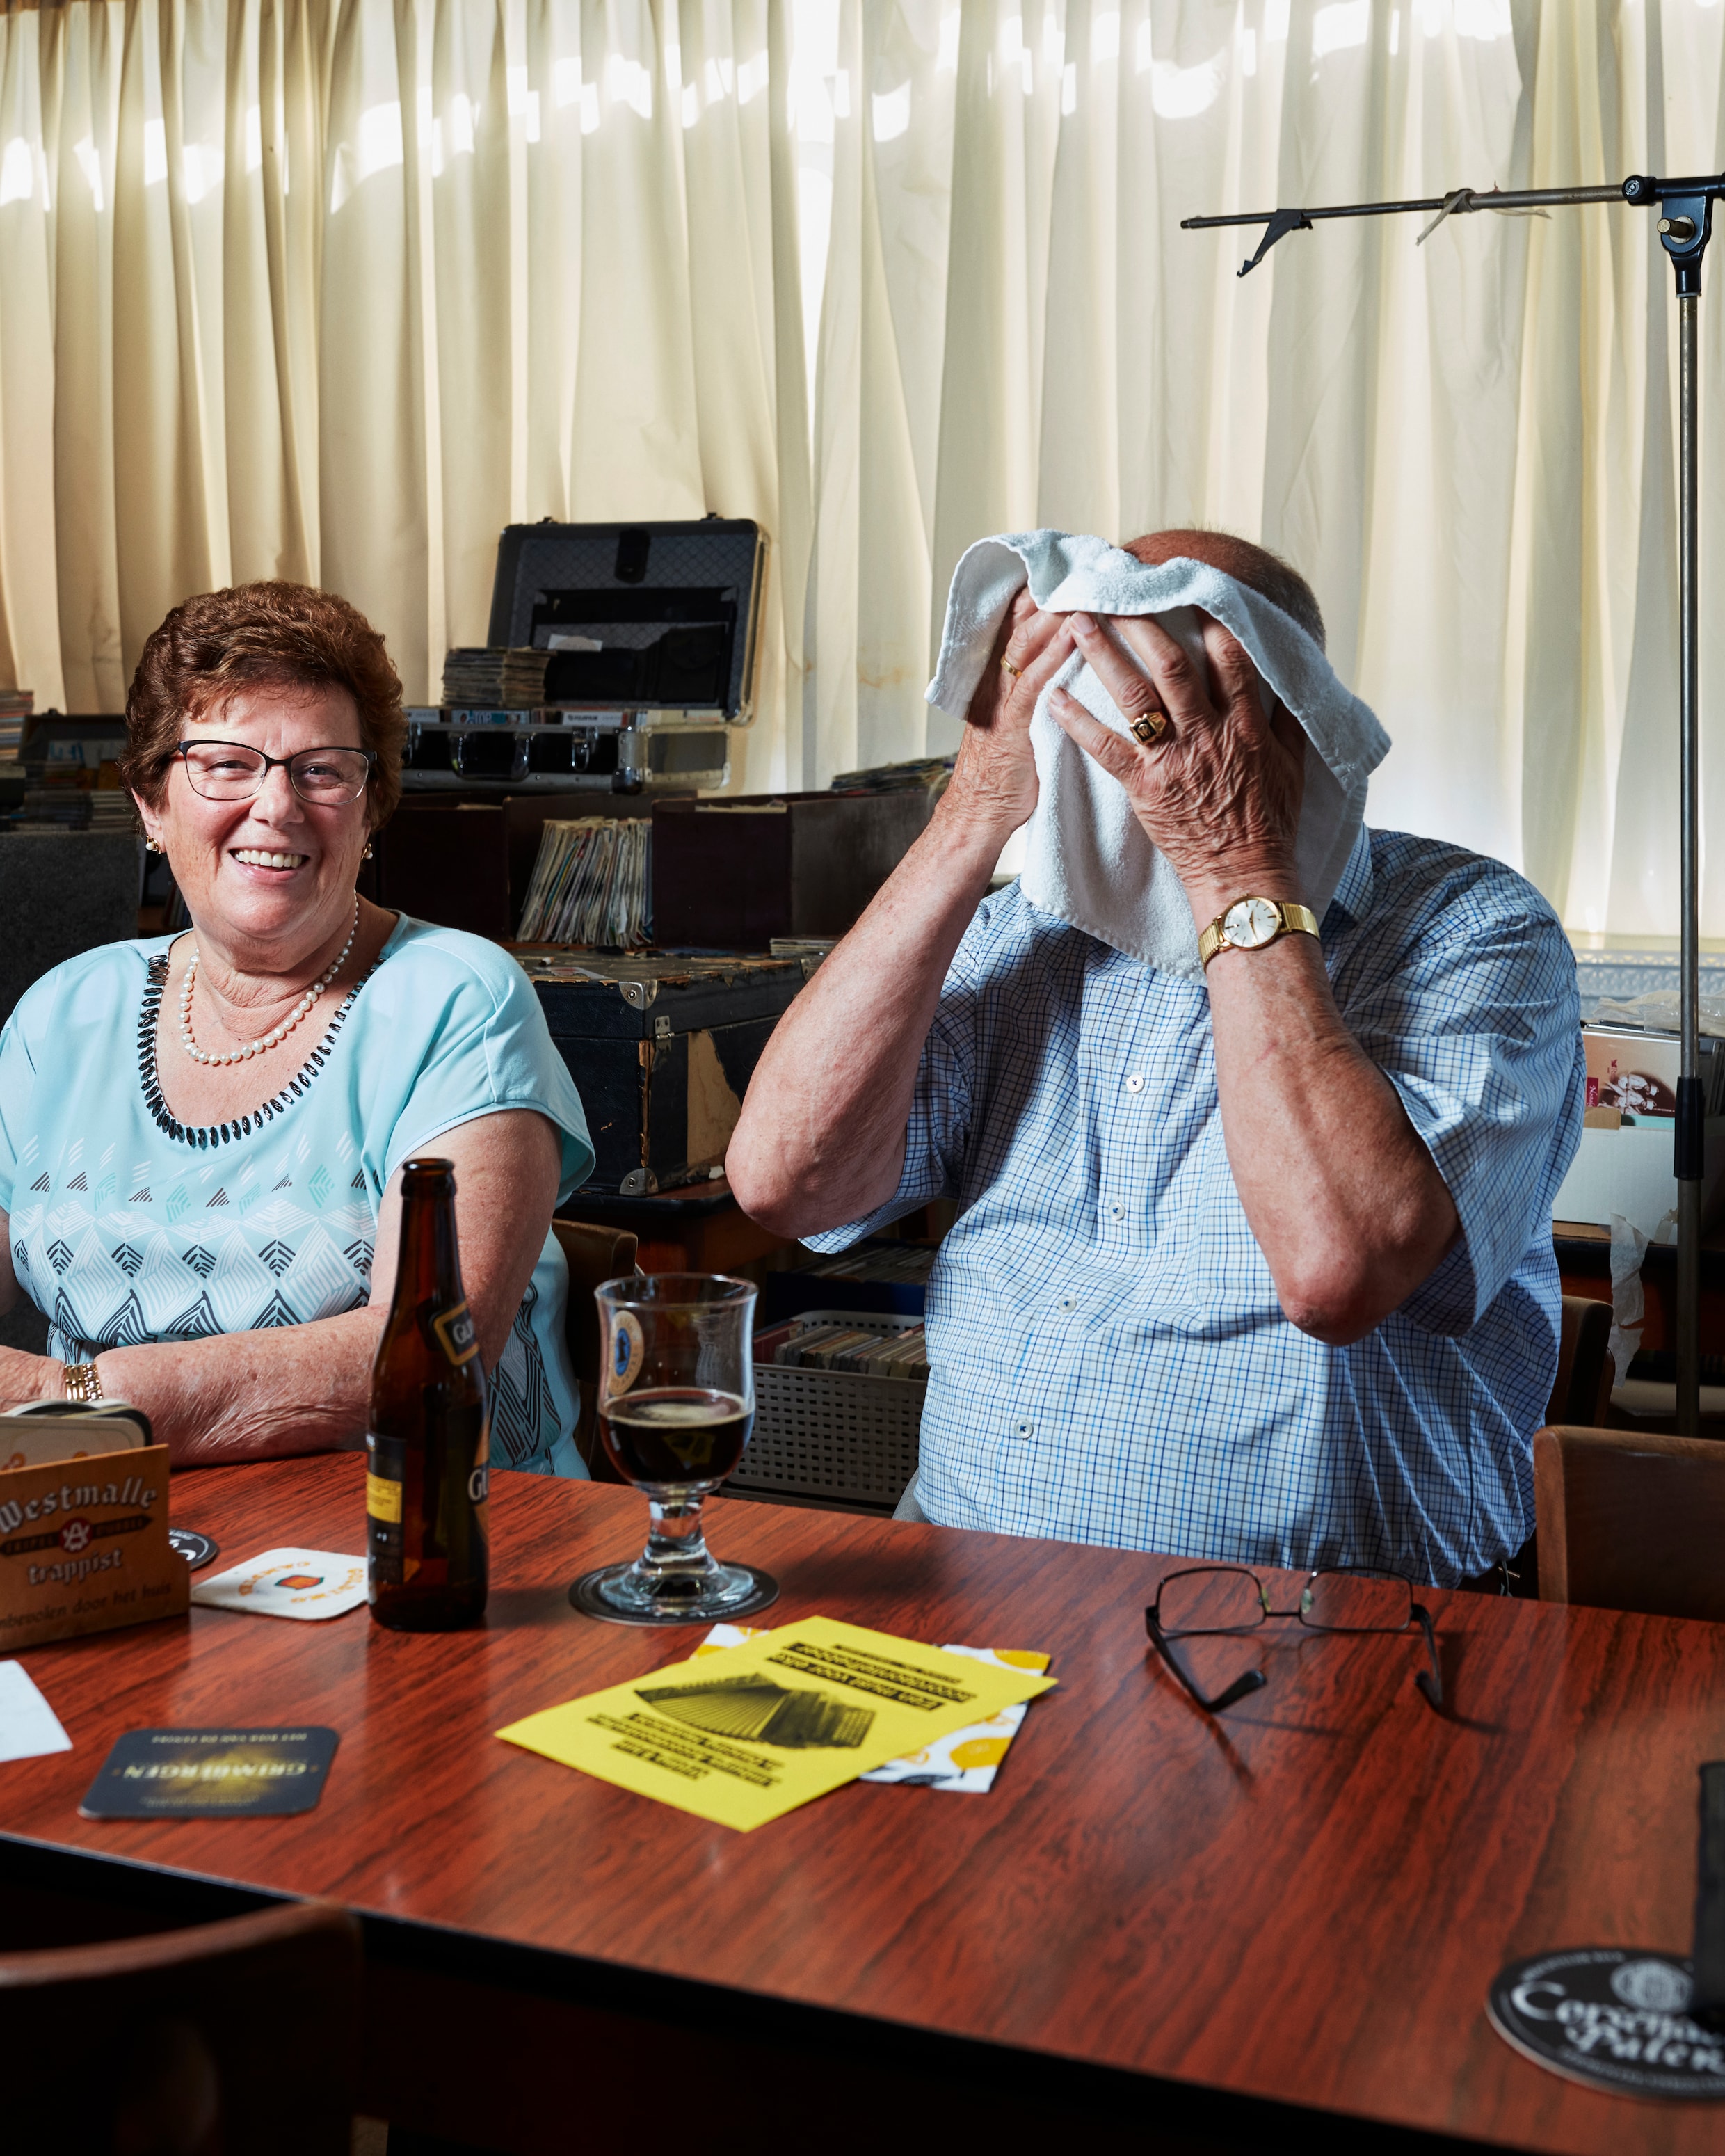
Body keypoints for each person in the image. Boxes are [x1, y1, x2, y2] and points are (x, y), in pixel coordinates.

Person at [727, 530, 1582, 1586]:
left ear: (1284, 720)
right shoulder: (1022, 930)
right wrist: (974, 809)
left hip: (1319, 1621)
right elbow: (787, 1180)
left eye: (1175, 692)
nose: (1140, 740)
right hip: (968, 1587)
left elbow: (1337, 1272)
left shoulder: (1477, 925)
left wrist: (1234, 861)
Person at [0, 582, 594, 1472]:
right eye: (225, 764)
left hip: (431, 1527)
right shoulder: (64, 1011)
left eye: (321, 769)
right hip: (111, 1519)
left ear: (369, 806)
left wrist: (70, 1401)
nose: (277, 806)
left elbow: (423, 1350)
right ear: (151, 802)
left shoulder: (458, 1002)